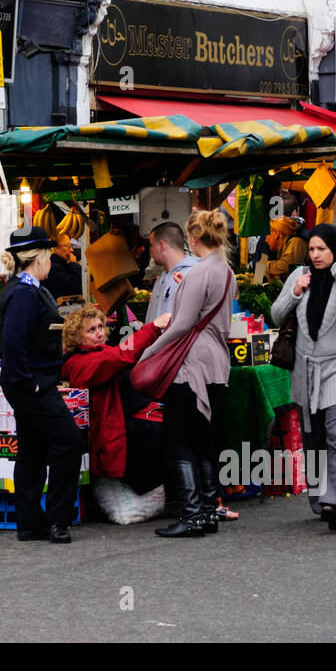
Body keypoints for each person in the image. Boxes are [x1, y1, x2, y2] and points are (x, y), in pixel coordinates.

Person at [136, 210, 237, 538]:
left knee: (179, 438)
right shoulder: (226, 272)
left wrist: (148, 353)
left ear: (193, 239)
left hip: (190, 366)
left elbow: (181, 325)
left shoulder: (197, 273)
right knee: (203, 439)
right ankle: (208, 511)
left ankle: (192, 514)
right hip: (216, 364)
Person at [270, 224, 336, 532]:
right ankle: (321, 498)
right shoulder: (299, 275)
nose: (315, 255)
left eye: (322, 249)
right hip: (306, 369)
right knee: (313, 438)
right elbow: (275, 314)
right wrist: (295, 290)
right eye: (311, 249)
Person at [0, 226, 82, 545]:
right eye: (49, 256)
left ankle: (30, 523)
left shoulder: (29, 288)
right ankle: (58, 521)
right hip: (31, 385)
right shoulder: (23, 293)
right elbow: (13, 342)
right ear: (40, 258)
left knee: (33, 450)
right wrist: (27, 384)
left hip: (32, 382)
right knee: (68, 442)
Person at [61, 306, 171, 490]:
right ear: (76, 337)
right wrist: (153, 327)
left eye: (100, 327)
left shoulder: (95, 354)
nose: (99, 333)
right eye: (91, 330)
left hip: (125, 423)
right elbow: (121, 354)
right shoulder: (81, 363)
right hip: (117, 431)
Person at [145, 221, 198, 323]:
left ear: (162, 246)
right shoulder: (162, 276)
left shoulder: (191, 275)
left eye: (152, 245)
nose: (151, 251)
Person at [264, 192, 307, 282]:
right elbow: (258, 276)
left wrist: (265, 266)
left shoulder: (296, 241)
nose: (265, 238)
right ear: (295, 212)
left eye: (269, 234)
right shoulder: (266, 245)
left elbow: (286, 266)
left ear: (277, 233)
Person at [44, 234, 83, 299]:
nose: (71, 250)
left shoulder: (64, 263)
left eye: (71, 246)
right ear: (55, 248)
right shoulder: (53, 267)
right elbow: (74, 287)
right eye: (67, 246)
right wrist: (73, 264)